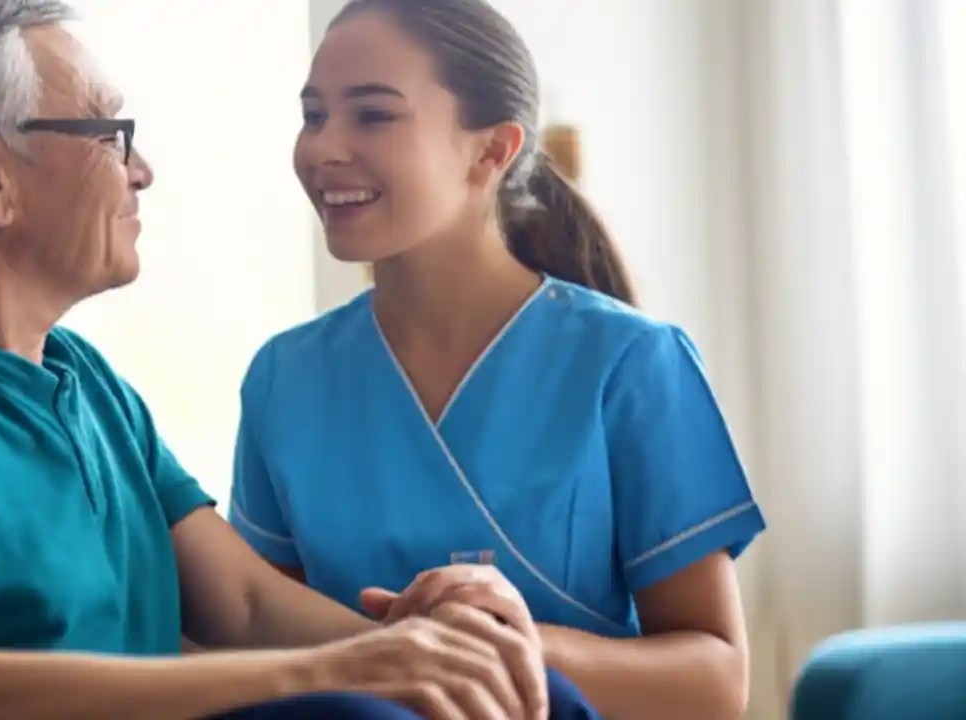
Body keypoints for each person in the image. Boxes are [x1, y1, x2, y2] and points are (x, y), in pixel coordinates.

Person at [0, 1, 605, 719]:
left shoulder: (86, 385)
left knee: (522, 700)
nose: (141, 169)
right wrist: (336, 672)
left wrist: (430, 646)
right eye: (106, 131)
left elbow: (242, 605)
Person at [227, 0, 767, 718]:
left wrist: (498, 647)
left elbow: (716, 682)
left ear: (491, 151)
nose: (323, 148)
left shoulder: (634, 364)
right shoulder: (284, 380)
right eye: (313, 115)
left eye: (373, 115)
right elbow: (253, 636)